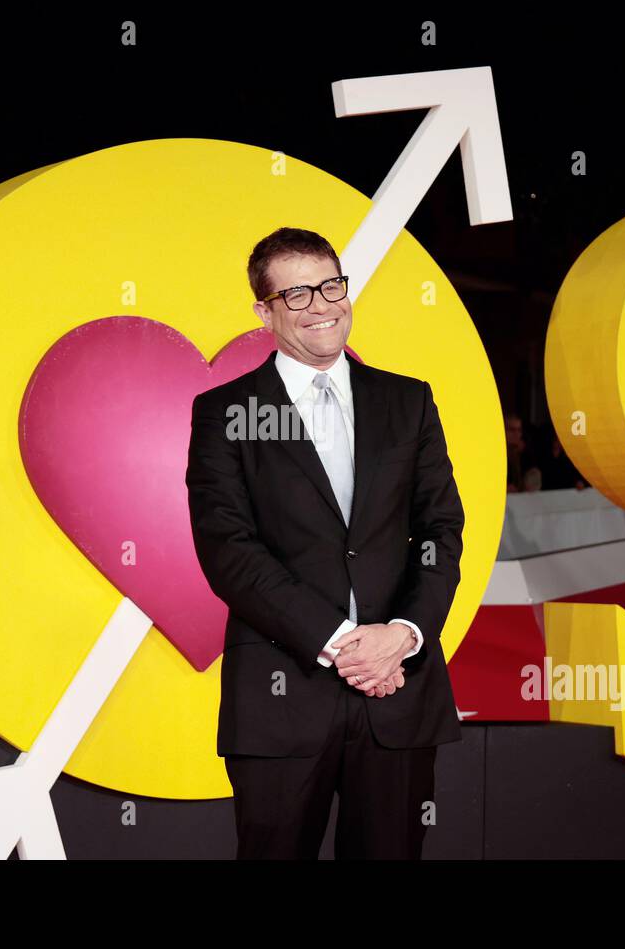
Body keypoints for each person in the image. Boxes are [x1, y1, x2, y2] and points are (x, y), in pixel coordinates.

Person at [185, 227, 464, 859]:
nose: (322, 306)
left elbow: (440, 531)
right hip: (282, 700)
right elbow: (229, 550)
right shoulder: (226, 411)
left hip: (400, 690)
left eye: (331, 285)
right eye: (298, 294)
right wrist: (341, 645)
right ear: (265, 311)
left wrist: (405, 636)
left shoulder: (407, 400)